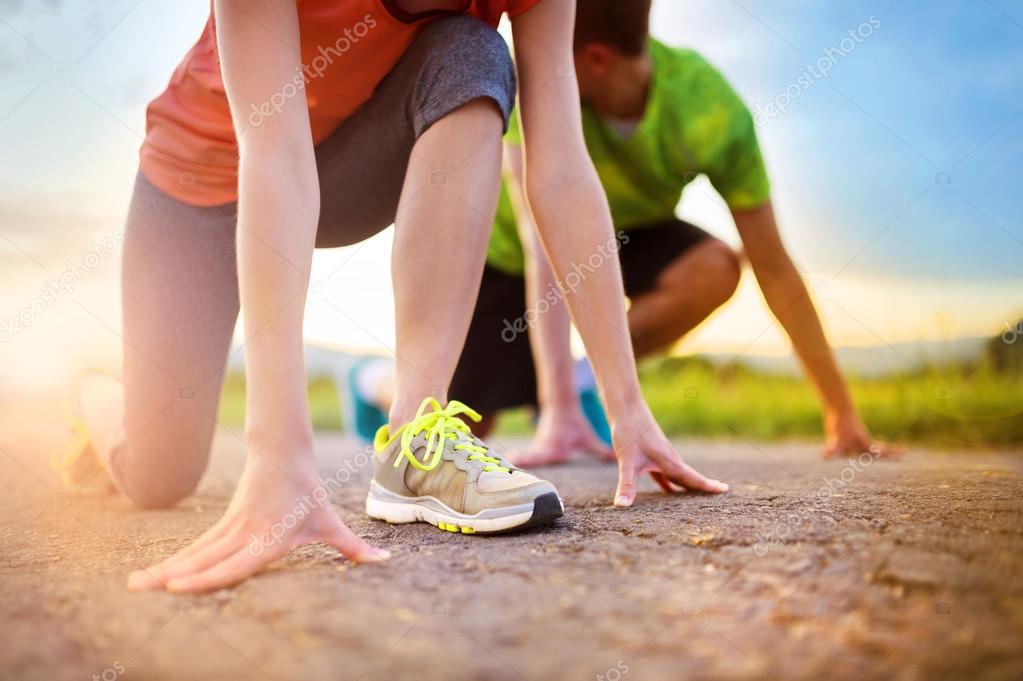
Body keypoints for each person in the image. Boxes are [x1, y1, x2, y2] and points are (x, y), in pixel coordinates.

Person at [53, 0, 727, 595]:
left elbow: (560, 167)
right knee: (158, 475)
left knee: (473, 52)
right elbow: (274, 154)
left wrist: (625, 405)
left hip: (346, 167)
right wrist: (278, 460)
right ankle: (95, 391)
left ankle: (414, 438)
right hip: (198, 182)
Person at [443, 0, 897, 465]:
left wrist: (840, 410)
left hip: (628, 236)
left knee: (715, 268)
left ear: (595, 59)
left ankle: (585, 385)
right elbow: (542, 242)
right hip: (513, 258)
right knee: (464, 426)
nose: (538, 62)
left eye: (553, 50)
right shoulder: (534, 94)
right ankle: (376, 382)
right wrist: (555, 410)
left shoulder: (708, 108)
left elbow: (773, 264)